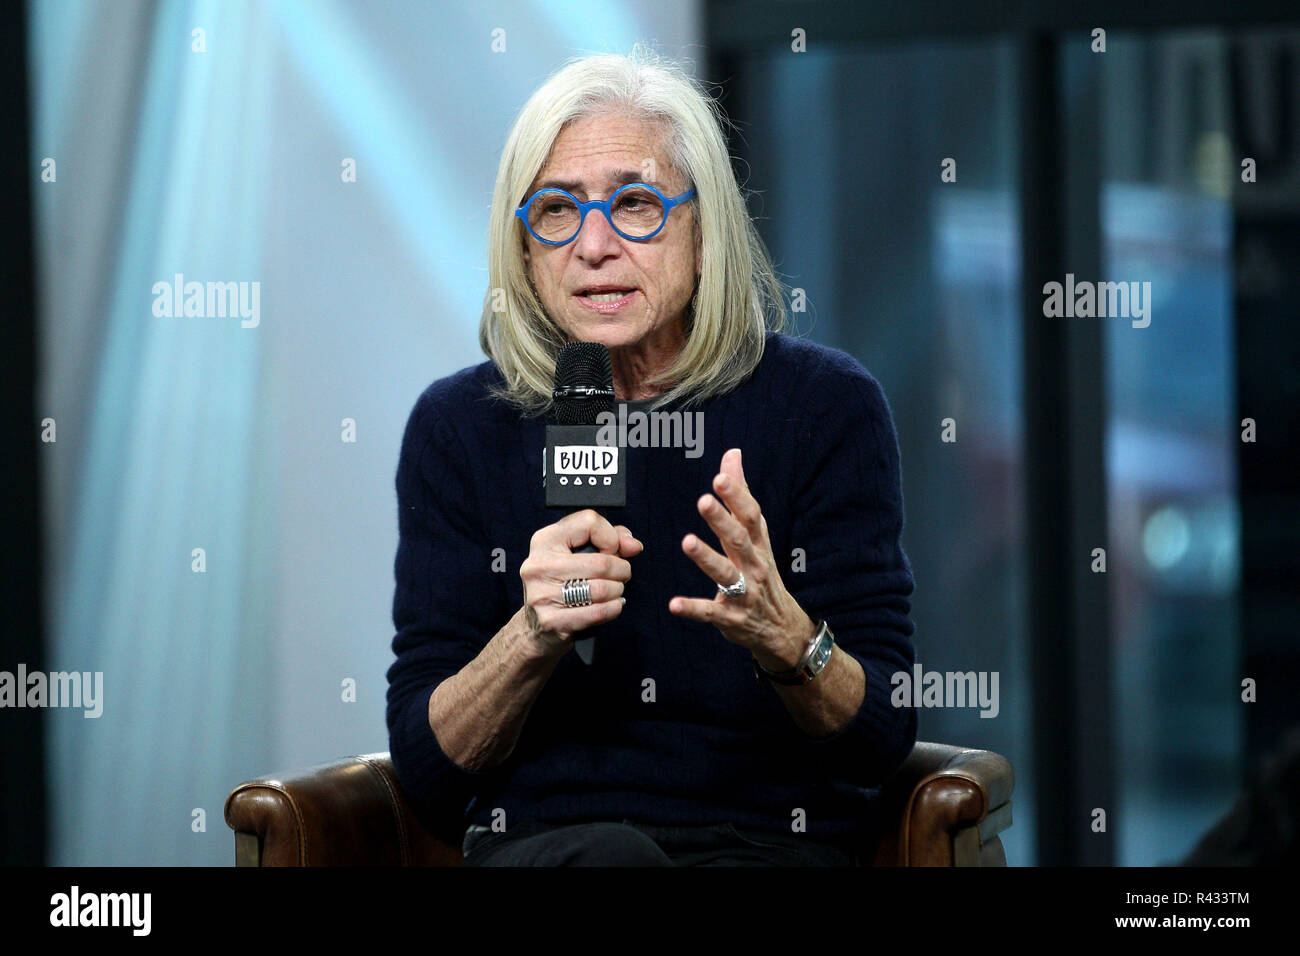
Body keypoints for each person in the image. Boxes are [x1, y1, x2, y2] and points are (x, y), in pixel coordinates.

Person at [385, 46, 917, 866]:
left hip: (766, 846)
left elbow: (881, 737)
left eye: (635, 204)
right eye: (556, 211)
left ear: (704, 234)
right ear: (523, 248)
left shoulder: (822, 408)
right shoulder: (462, 427)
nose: (593, 245)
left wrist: (787, 637)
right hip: (557, 853)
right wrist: (529, 635)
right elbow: (427, 772)